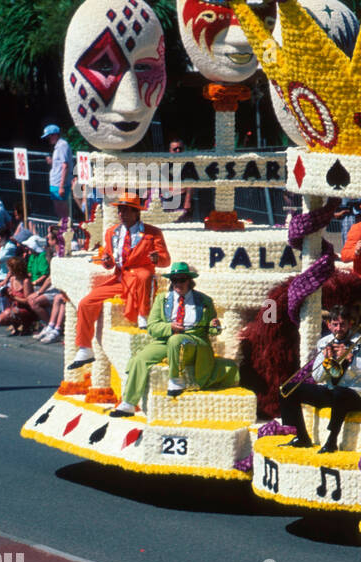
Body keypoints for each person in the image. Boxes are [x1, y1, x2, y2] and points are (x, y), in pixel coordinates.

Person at [111, 263, 240, 417]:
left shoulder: (204, 301)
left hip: (195, 341)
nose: (178, 283)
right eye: (175, 280)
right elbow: (152, 326)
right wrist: (170, 327)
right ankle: (129, 403)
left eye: (182, 279)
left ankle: (176, 380)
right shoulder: (162, 300)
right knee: (140, 359)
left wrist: (215, 327)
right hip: (166, 340)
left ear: (190, 281)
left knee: (177, 340)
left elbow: (211, 330)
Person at [69, 194, 171, 370]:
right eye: (119, 209)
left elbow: (165, 260)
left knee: (144, 276)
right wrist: (107, 260)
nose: (120, 213)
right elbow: (108, 263)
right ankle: (85, 348)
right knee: (86, 302)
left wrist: (156, 259)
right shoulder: (111, 232)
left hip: (140, 275)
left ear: (135, 213)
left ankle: (143, 315)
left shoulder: (152, 233)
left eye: (124, 210)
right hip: (119, 277)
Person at [280, 302, 361, 452]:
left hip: (357, 393)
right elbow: (317, 377)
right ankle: (301, 436)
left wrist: (352, 358)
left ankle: (331, 441)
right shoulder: (324, 343)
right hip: (331, 390)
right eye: (335, 324)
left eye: (343, 324)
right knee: (287, 389)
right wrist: (325, 360)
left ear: (350, 323)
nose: (339, 329)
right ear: (329, 325)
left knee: (340, 393)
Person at [43, 125, 74, 222]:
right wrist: (51, 161)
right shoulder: (58, 146)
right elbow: (60, 164)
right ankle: (63, 229)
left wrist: (61, 186)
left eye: (50, 136)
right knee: (58, 208)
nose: (48, 139)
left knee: (62, 209)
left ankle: (66, 230)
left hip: (59, 183)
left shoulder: (62, 145)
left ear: (55, 135)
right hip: (55, 182)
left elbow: (65, 165)